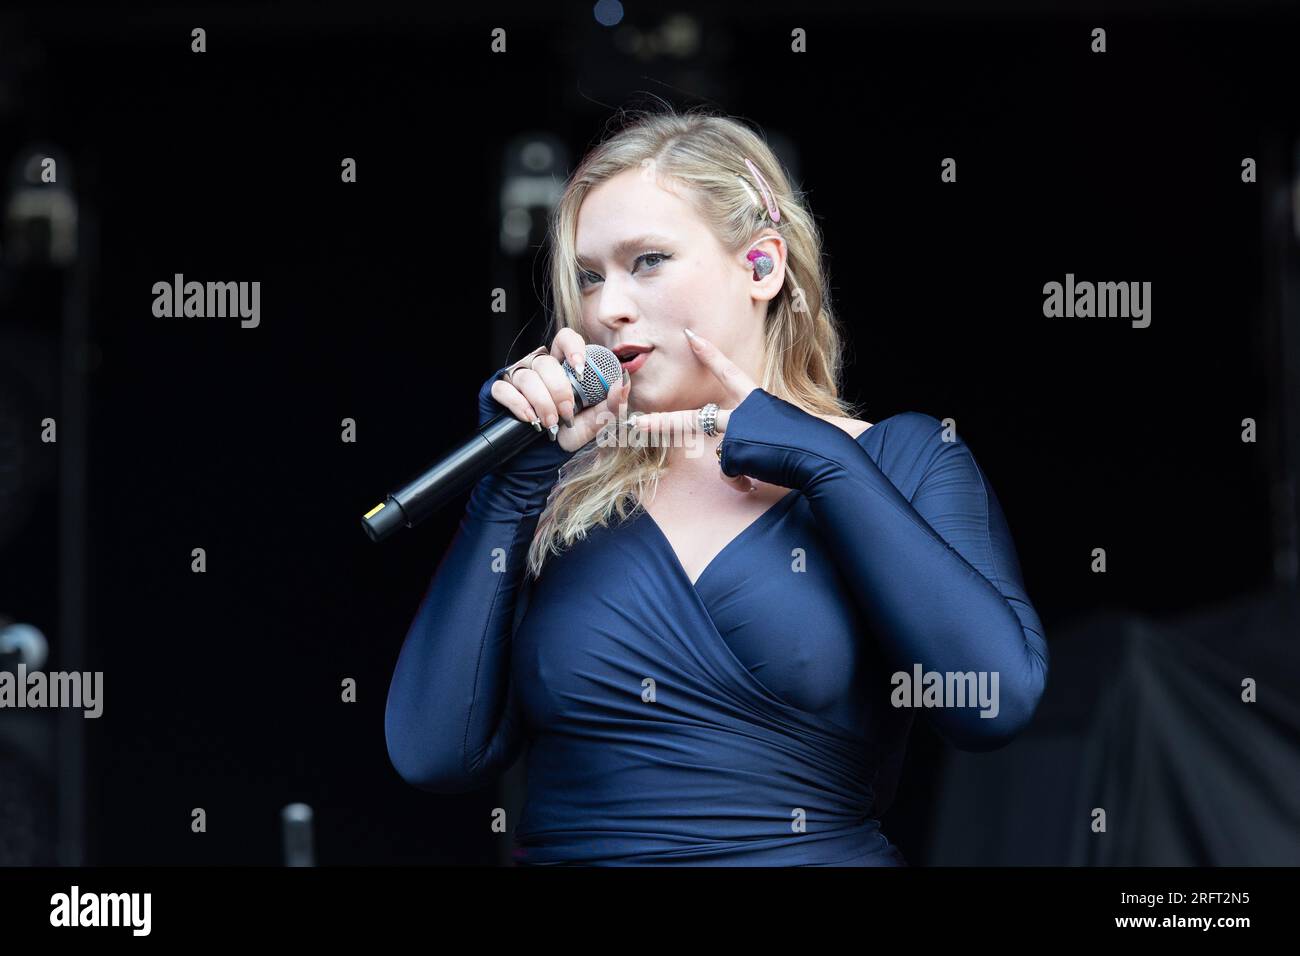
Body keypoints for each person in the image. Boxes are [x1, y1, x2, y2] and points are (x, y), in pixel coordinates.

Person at [384, 108, 1049, 865]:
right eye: (590, 276)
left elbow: (994, 703)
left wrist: (823, 462)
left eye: (649, 261)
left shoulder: (902, 460)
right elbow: (433, 754)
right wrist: (504, 494)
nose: (608, 307)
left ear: (762, 267)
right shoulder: (560, 490)